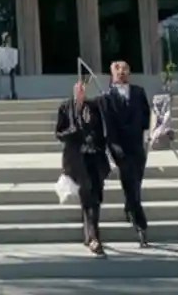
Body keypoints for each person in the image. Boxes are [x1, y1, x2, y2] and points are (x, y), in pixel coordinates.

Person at [100, 59, 152, 247]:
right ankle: (141, 226)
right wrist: (113, 148)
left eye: (124, 69)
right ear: (112, 73)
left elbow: (146, 116)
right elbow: (108, 125)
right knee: (130, 180)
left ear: (129, 72)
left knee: (135, 181)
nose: (121, 72)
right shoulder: (106, 97)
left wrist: (147, 134)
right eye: (117, 69)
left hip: (137, 145)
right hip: (119, 146)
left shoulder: (138, 92)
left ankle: (129, 206)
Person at [56, 80, 110, 257]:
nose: (81, 93)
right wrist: (75, 130)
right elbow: (59, 133)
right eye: (78, 90)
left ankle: (91, 236)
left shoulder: (93, 107)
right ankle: (94, 238)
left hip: (95, 158)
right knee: (88, 199)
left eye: (83, 91)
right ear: (73, 91)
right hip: (77, 160)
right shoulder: (65, 108)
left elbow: (101, 132)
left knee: (95, 198)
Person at [0, 32, 19, 100]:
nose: (8, 41)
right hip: (2, 69)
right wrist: (2, 67)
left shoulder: (13, 50)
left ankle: (12, 93)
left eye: (9, 39)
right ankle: (3, 95)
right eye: (7, 39)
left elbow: (14, 62)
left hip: (11, 70)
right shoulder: (0, 50)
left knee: (12, 75)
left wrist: (11, 67)